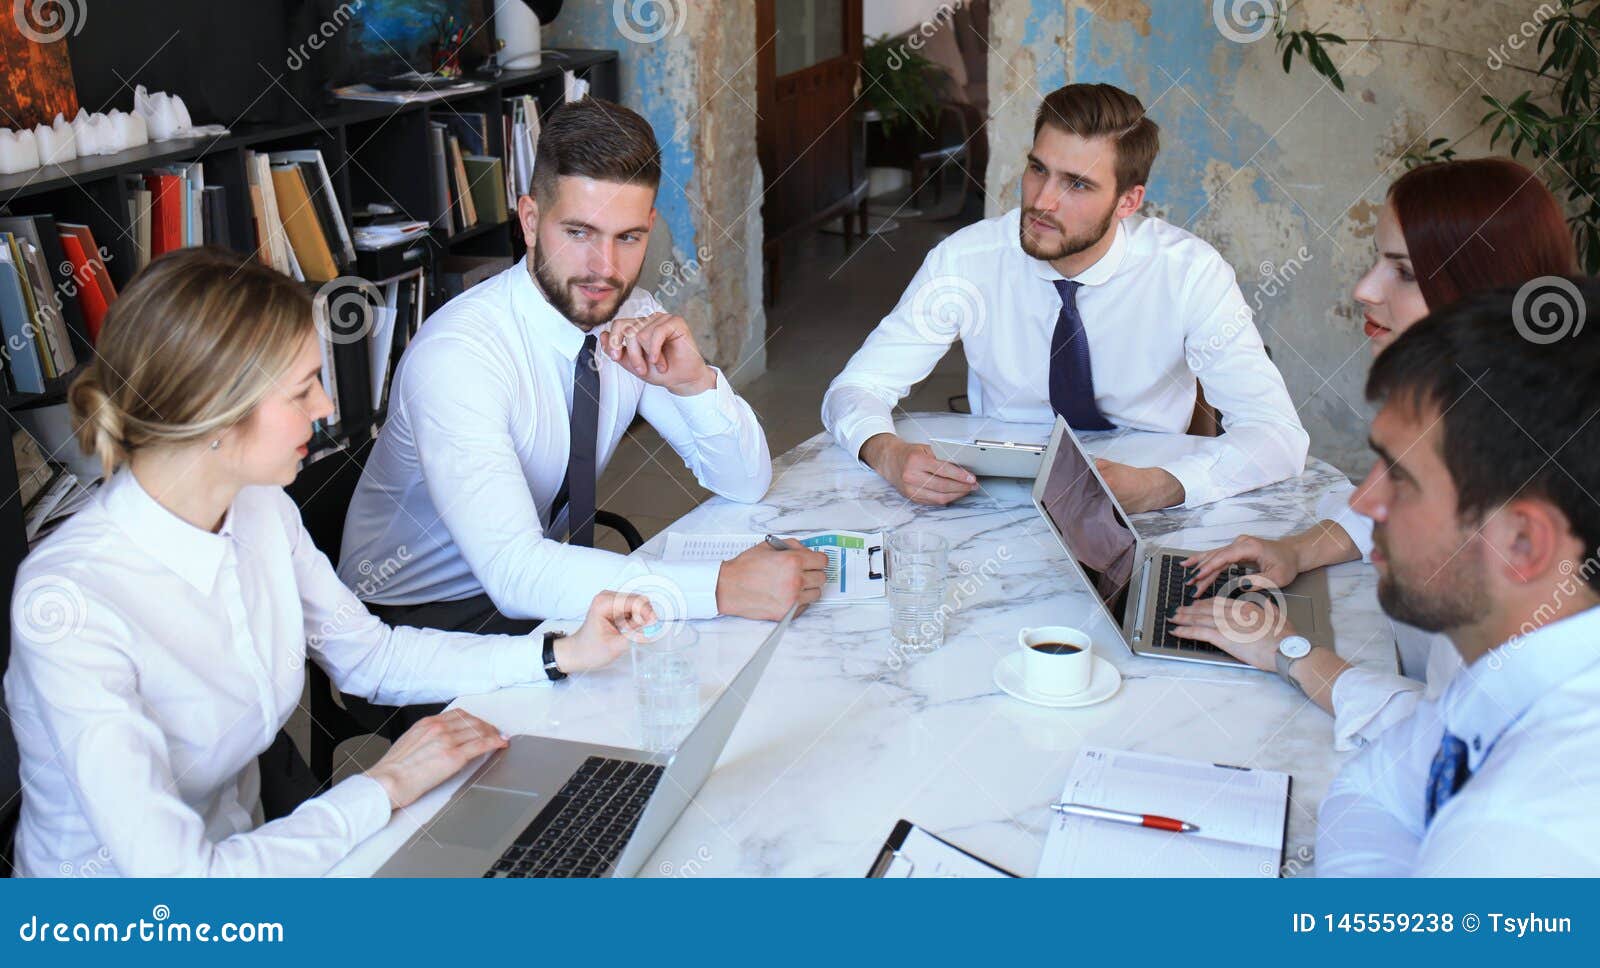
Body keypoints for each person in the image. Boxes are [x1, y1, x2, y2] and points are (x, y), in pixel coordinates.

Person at [3, 248, 653, 877]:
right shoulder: (72, 601)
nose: (325, 408)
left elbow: (371, 657)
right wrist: (387, 784)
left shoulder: (259, 508)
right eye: (303, 389)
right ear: (212, 418)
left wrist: (559, 653)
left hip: (265, 856)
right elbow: (177, 878)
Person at [339, 97, 827, 634]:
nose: (605, 268)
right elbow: (514, 572)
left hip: (544, 584)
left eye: (628, 237)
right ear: (530, 221)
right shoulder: (458, 357)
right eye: (578, 233)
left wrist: (695, 385)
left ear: (649, 226)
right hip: (421, 619)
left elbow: (746, 482)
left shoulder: (633, 314)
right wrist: (721, 586)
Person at [1174, 158, 1579, 749]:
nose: (1365, 289)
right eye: (1379, 261)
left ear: (1484, 290)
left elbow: (1453, 739)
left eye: (1404, 273)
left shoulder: (1518, 481)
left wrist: (1288, 652)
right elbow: (1389, 503)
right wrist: (1294, 550)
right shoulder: (1468, 404)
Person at [822, 82, 1308, 513]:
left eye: (1076, 184)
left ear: (1128, 202)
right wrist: (886, 452)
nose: (1041, 201)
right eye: (1038, 169)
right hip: (993, 496)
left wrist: (1161, 487)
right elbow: (855, 388)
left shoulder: (1189, 273)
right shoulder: (966, 260)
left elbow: (1278, 435)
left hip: (1147, 494)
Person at [1308, 281, 1598, 875]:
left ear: (1523, 542)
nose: (1364, 505)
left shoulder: (1524, 834)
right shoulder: (1518, 665)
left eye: (1401, 477)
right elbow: (1370, 790)